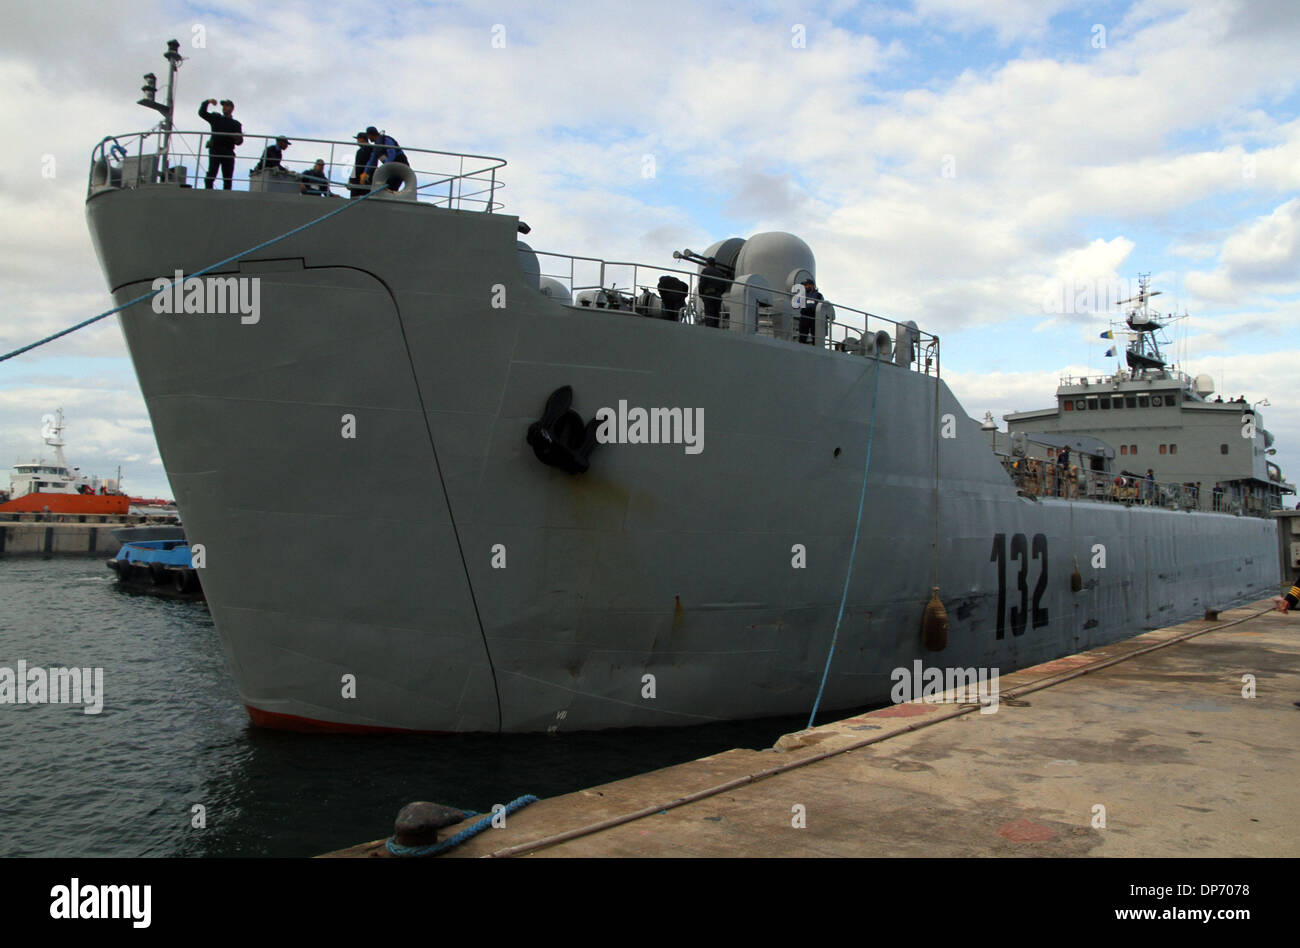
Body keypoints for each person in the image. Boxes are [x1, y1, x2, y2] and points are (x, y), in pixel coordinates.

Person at [199, 98, 243, 189]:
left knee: (228, 178)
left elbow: (239, 142)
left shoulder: (236, 124)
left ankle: (226, 197)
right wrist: (207, 102)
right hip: (215, 150)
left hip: (228, 152)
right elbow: (202, 113)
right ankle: (208, 192)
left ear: (231, 108)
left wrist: (237, 138)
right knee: (211, 174)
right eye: (223, 106)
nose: (224, 107)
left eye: (227, 105)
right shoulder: (216, 118)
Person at [698, 257, 729, 328]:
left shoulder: (706, 271)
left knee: (709, 315)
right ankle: (715, 329)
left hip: (709, 295)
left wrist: (701, 295)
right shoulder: (721, 273)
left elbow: (702, 284)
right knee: (716, 315)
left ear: (707, 264)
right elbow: (724, 286)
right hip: (718, 296)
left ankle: (710, 330)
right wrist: (719, 293)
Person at [797, 277, 823, 345]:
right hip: (804, 315)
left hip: (814, 316)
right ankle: (801, 346)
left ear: (811, 285)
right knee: (802, 333)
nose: (805, 287)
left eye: (806, 285)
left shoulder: (818, 295)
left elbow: (822, 306)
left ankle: (816, 346)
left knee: (815, 333)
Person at [348, 131, 373, 198]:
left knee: (365, 198)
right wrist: (351, 179)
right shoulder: (359, 151)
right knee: (354, 197)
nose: (357, 141)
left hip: (366, 178)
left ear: (362, 139)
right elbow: (356, 165)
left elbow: (373, 163)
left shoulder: (371, 149)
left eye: (358, 139)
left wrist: (367, 174)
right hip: (356, 179)